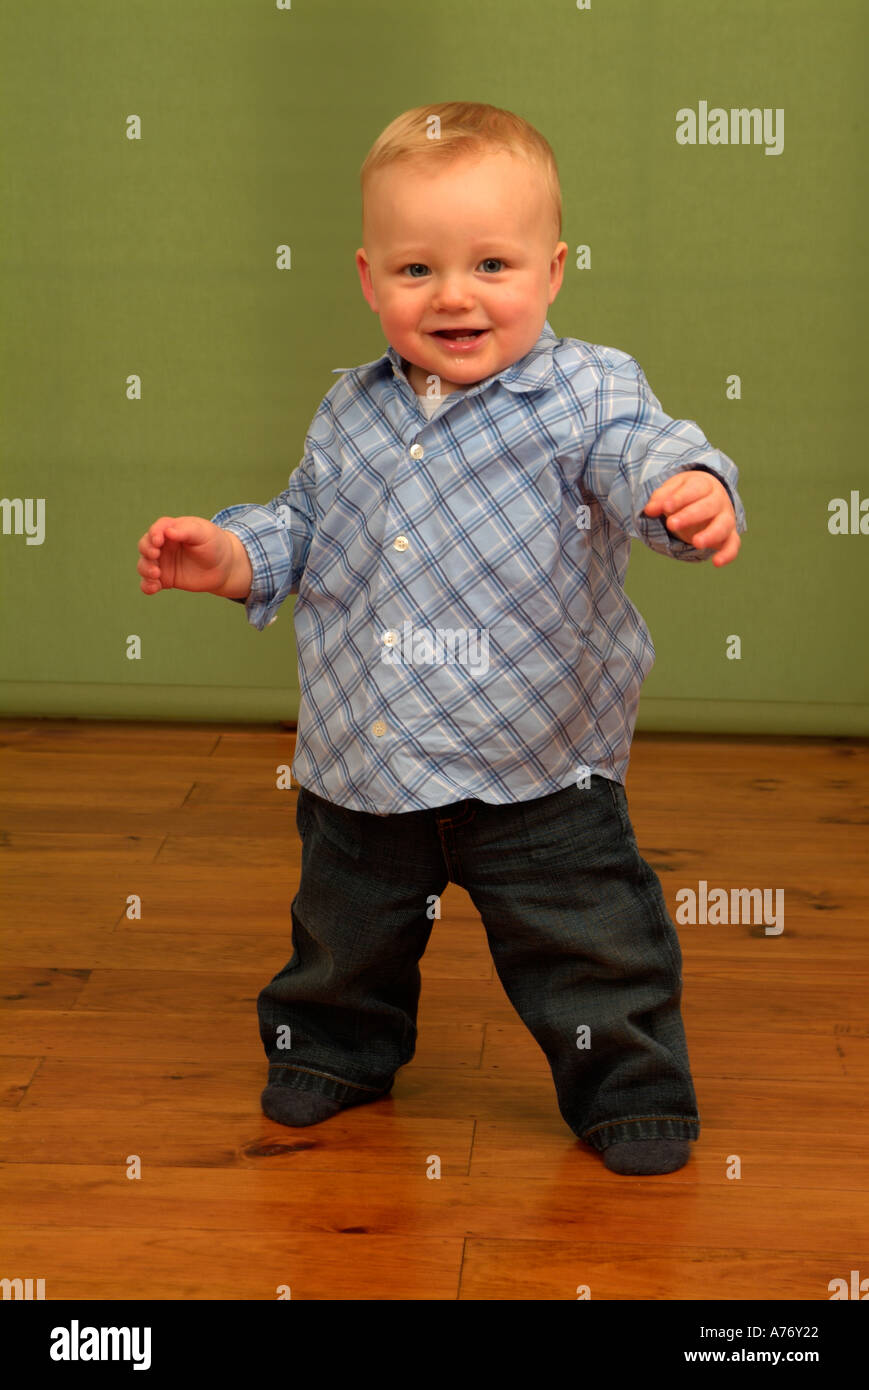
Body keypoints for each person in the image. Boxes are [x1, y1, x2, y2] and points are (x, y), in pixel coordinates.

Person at [137, 102, 746, 1175]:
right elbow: (305, 527)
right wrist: (230, 556)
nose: (454, 295)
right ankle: (331, 1053)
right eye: (415, 269)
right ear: (369, 280)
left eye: (492, 264)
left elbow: (642, 453)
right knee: (340, 938)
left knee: (591, 946)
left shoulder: (587, 395)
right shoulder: (350, 411)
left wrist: (683, 491)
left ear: (552, 269)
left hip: (537, 765)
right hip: (363, 762)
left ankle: (629, 1089)